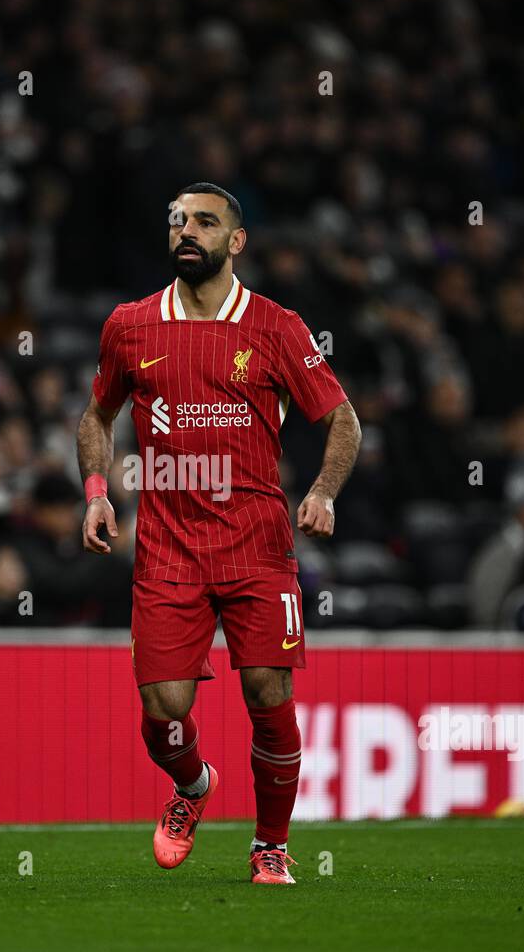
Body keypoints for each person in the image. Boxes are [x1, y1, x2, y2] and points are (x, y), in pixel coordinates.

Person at [76, 183, 361, 886]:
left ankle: (270, 845)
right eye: (177, 220)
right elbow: (95, 416)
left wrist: (323, 491)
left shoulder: (277, 328)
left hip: (258, 548)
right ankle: (195, 784)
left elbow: (345, 420)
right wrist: (95, 493)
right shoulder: (130, 326)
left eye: (205, 221)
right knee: (163, 712)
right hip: (168, 551)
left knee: (268, 692)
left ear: (237, 241)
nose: (187, 231)